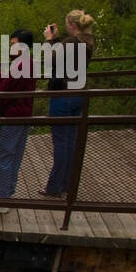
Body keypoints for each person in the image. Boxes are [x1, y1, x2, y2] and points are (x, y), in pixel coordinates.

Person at [41, 10, 96, 197]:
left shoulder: (71, 42)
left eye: (66, 24)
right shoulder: (87, 41)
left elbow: (49, 61)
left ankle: (54, 187)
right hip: (79, 94)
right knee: (71, 142)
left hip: (63, 95)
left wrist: (49, 40)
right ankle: (67, 184)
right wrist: (56, 40)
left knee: (61, 143)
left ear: (72, 25)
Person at [0, 29, 36, 214]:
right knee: (15, 156)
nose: (11, 48)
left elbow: (1, 93)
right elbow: (10, 84)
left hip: (13, 116)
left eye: (14, 45)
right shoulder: (27, 63)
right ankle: (8, 193)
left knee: (4, 157)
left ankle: (3, 200)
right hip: (24, 114)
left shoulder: (20, 65)